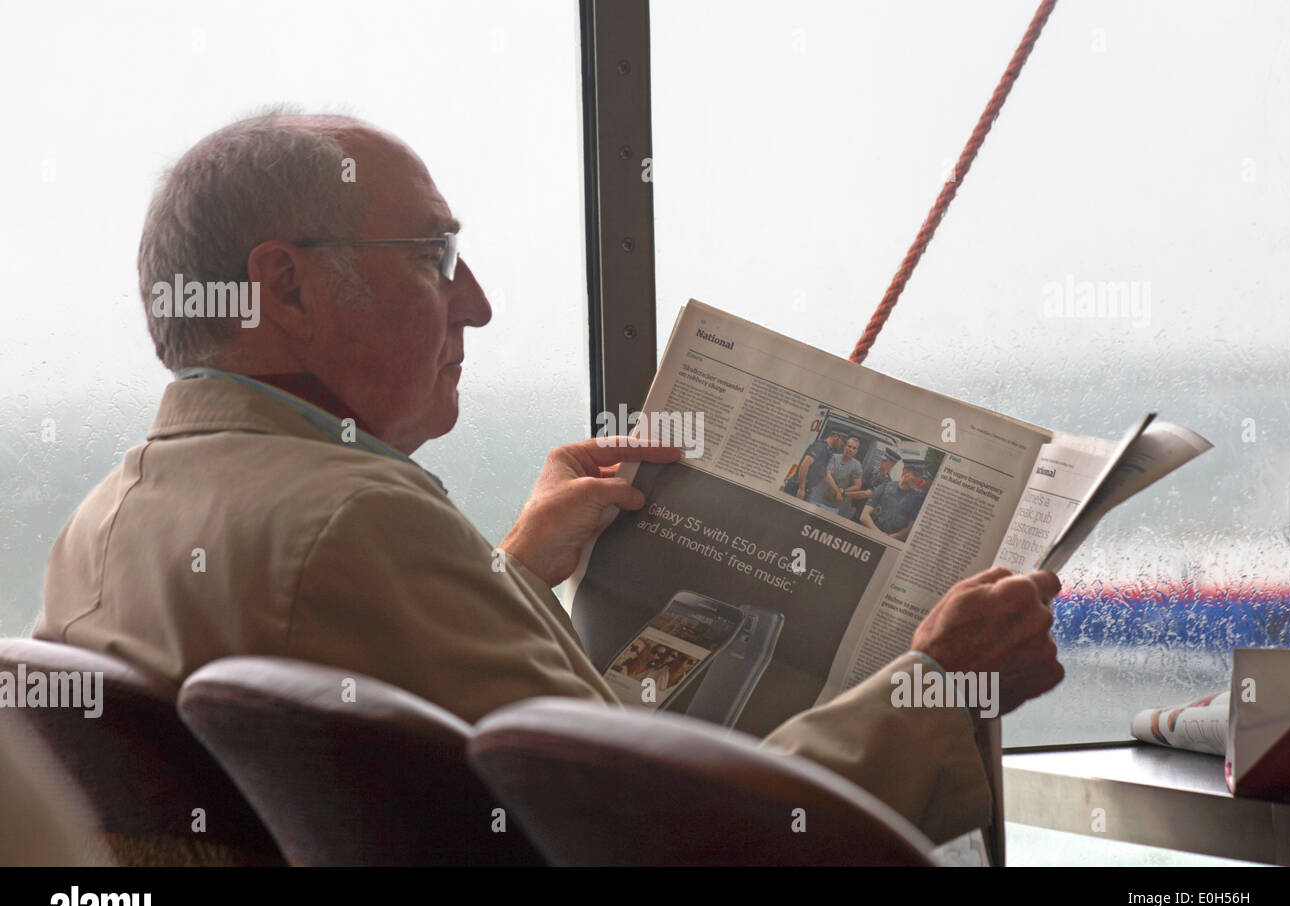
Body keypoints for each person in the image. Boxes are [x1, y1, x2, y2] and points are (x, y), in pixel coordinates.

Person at [33, 109, 1064, 847]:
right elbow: (667, 843)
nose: (474, 305)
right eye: (435, 255)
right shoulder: (358, 518)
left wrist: (514, 566)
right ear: (285, 286)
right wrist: (941, 684)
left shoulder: (107, 518)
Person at [861, 465, 930, 542]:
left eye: (920, 478)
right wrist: (879, 534)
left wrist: (890, 538)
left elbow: (909, 528)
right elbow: (864, 515)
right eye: (916, 475)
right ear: (905, 473)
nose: (918, 480)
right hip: (870, 535)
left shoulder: (917, 499)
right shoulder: (883, 488)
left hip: (892, 541)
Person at [808, 435, 863, 513]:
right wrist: (838, 491)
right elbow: (827, 476)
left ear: (856, 451)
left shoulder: (857, 466)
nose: (850, 450)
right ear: (845, 446)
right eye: (849, 446)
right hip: (817, 499)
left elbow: (857, 486)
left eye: (854, 448)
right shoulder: (833, 457)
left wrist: (843, 491)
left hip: (833, 506)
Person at [787, 431, 844, 500]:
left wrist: (837, 490)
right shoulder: (820, 446)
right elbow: (805, 464)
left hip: (806, 489)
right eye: (842, 440)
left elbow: (824, 474)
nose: (842, 444)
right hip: (796, 487)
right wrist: (801, 488)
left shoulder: (827, 450)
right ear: (835, 437)